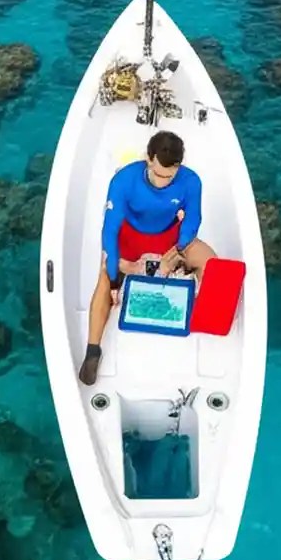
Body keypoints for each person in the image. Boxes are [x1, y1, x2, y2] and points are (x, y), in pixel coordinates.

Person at [78, 131, 216, 386]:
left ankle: (193, 310)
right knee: (105, 279)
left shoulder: (190, 181)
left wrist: (175, 253)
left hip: (169, 237)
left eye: (170, 176)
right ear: (149, 159)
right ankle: (93, 350)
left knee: (210, 261)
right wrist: (116, 274)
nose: (164, 182)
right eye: (159, 175)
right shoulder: (124, 180)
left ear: (179, 167)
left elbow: (193, 220)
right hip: (130, 237)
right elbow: (109, 230)